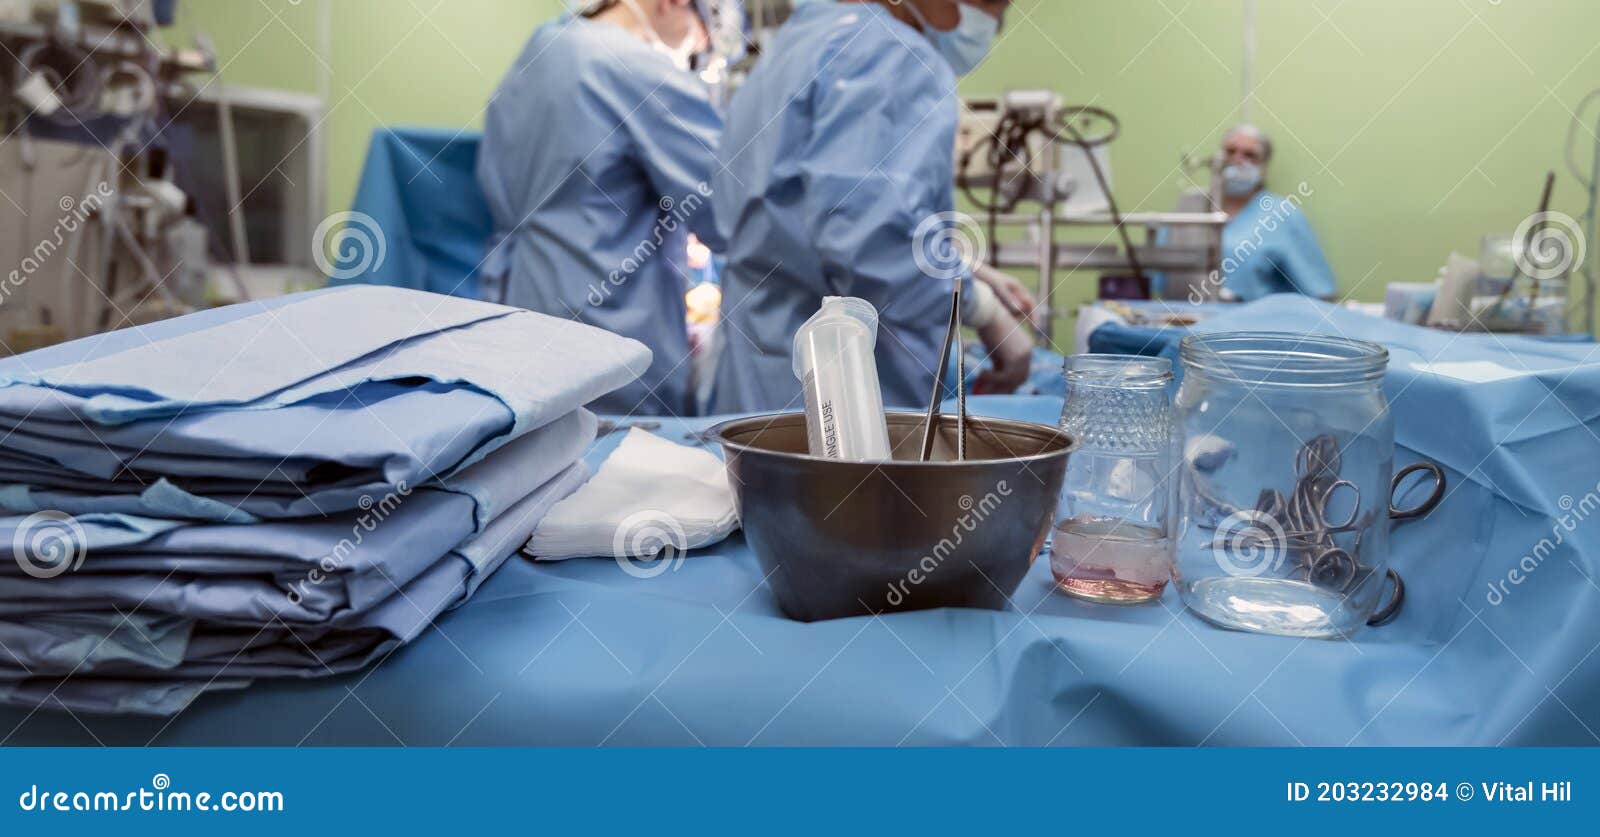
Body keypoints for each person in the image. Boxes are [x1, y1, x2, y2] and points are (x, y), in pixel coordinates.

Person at [707, 0, 1037, 414]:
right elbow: (872, 242)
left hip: (761, 369)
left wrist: (965, 270)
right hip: (839, 400)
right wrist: (982, 310)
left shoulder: (797, 42)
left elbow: (795, 217)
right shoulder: (892, 54)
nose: (995, 23)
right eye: (993, 5)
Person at [477, 0, 727, 416]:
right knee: (624, 467)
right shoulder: (639, 70)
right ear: (675, 3)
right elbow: (726, 212)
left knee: (540, 464)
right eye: (699, 41)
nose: (696, 54)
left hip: (517, 312)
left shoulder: (539, 50)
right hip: (607, 332)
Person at [1159, 124, 1336, 302]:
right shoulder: (1190, 207)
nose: (1238, 159)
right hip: (1184, 321)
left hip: (1253, 325)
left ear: (1264, 167)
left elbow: (1320, 293)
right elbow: (1155, 275)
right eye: (1230, 151)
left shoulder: (1282, 214)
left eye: (1250, 155)